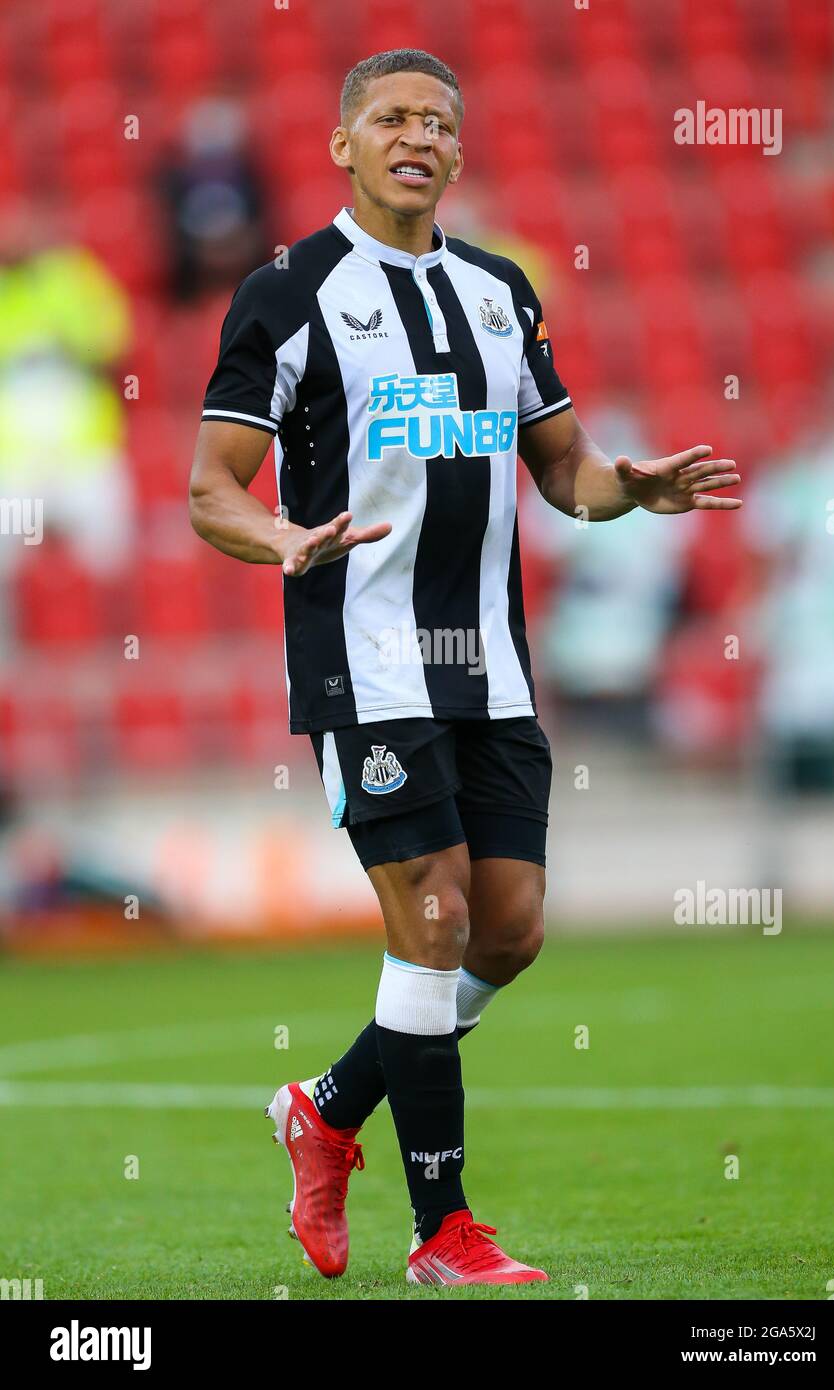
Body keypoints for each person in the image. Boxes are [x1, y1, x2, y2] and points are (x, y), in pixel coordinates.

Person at [188, 49, 741, 1287]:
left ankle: (324, 1110)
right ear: (343, 144)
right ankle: (442, 1234)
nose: (417, 137)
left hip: (486, 662)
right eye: (390, 117)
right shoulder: (287, 292)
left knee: (509, 930)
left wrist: (627, 491)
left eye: (438, 121)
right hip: (362, 657)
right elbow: (208, 490)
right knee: (430, 919)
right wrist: (282, 535)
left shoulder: (497, 292)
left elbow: (566, 470)